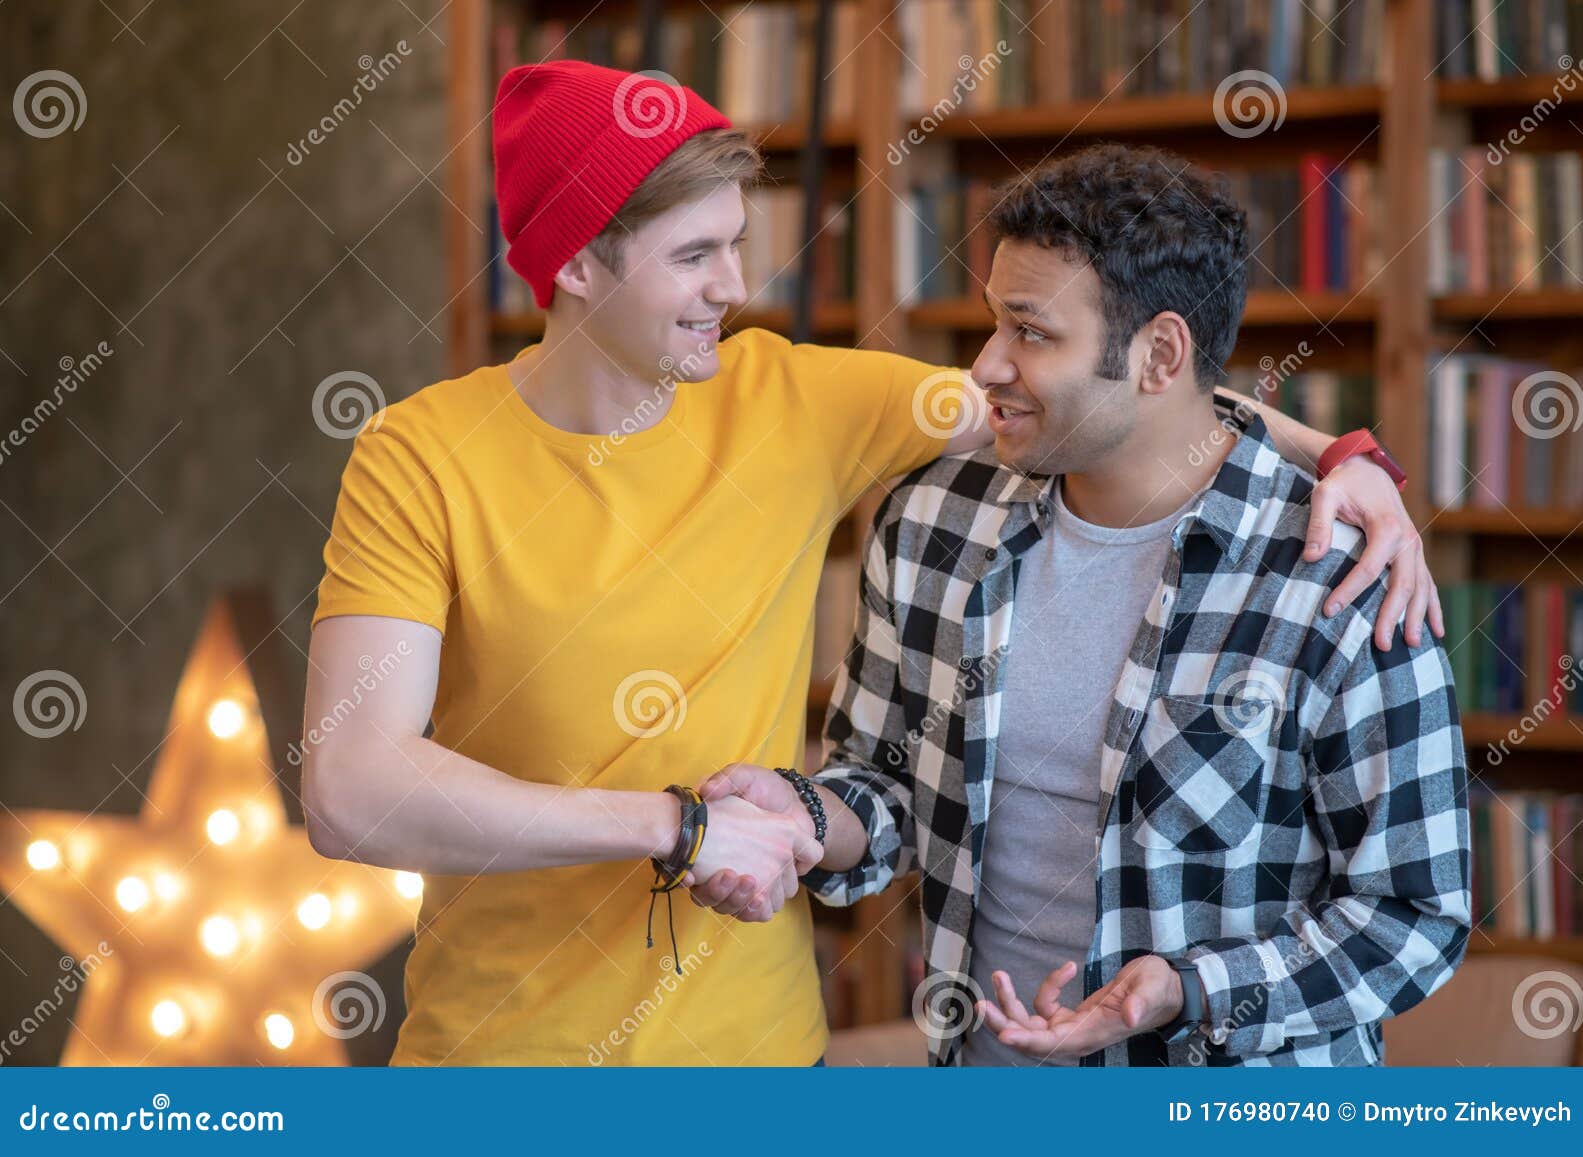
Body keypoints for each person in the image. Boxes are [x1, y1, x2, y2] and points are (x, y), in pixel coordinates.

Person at [303, 61, 1439, 1067]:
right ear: (580, 266)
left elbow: (1121, 398)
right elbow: (352, 790)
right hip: (503, 1059)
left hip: (763, 1055)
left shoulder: (794, 398)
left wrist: (1344, 454)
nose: (735, 286)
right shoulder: (424, 452)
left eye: (737, 242)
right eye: (695, 253)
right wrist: (692, 824)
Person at [695, 143, 1470, 1068]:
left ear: (1159, 355)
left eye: (1031, 331)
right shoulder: (936, 516)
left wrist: (1187, 988)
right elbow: (887, 780)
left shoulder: (1332, 576)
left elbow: (1413, 915)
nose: (985, 366)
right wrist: (807, 817)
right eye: (993, 322)